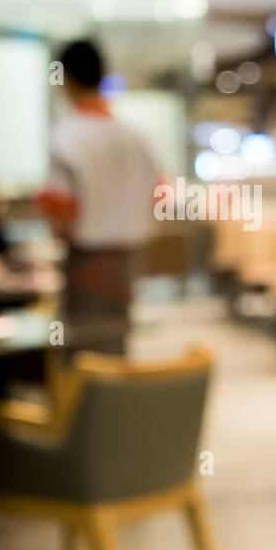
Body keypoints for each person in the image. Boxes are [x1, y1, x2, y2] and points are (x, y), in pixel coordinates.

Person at [37, 39, 161, 353]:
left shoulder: (66, 136)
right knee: (117, 345)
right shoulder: (136, 136)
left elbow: (61, 208)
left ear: (66, 78)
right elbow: (159, 194)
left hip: (85, 262)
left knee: (84, 352)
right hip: (129, 261)